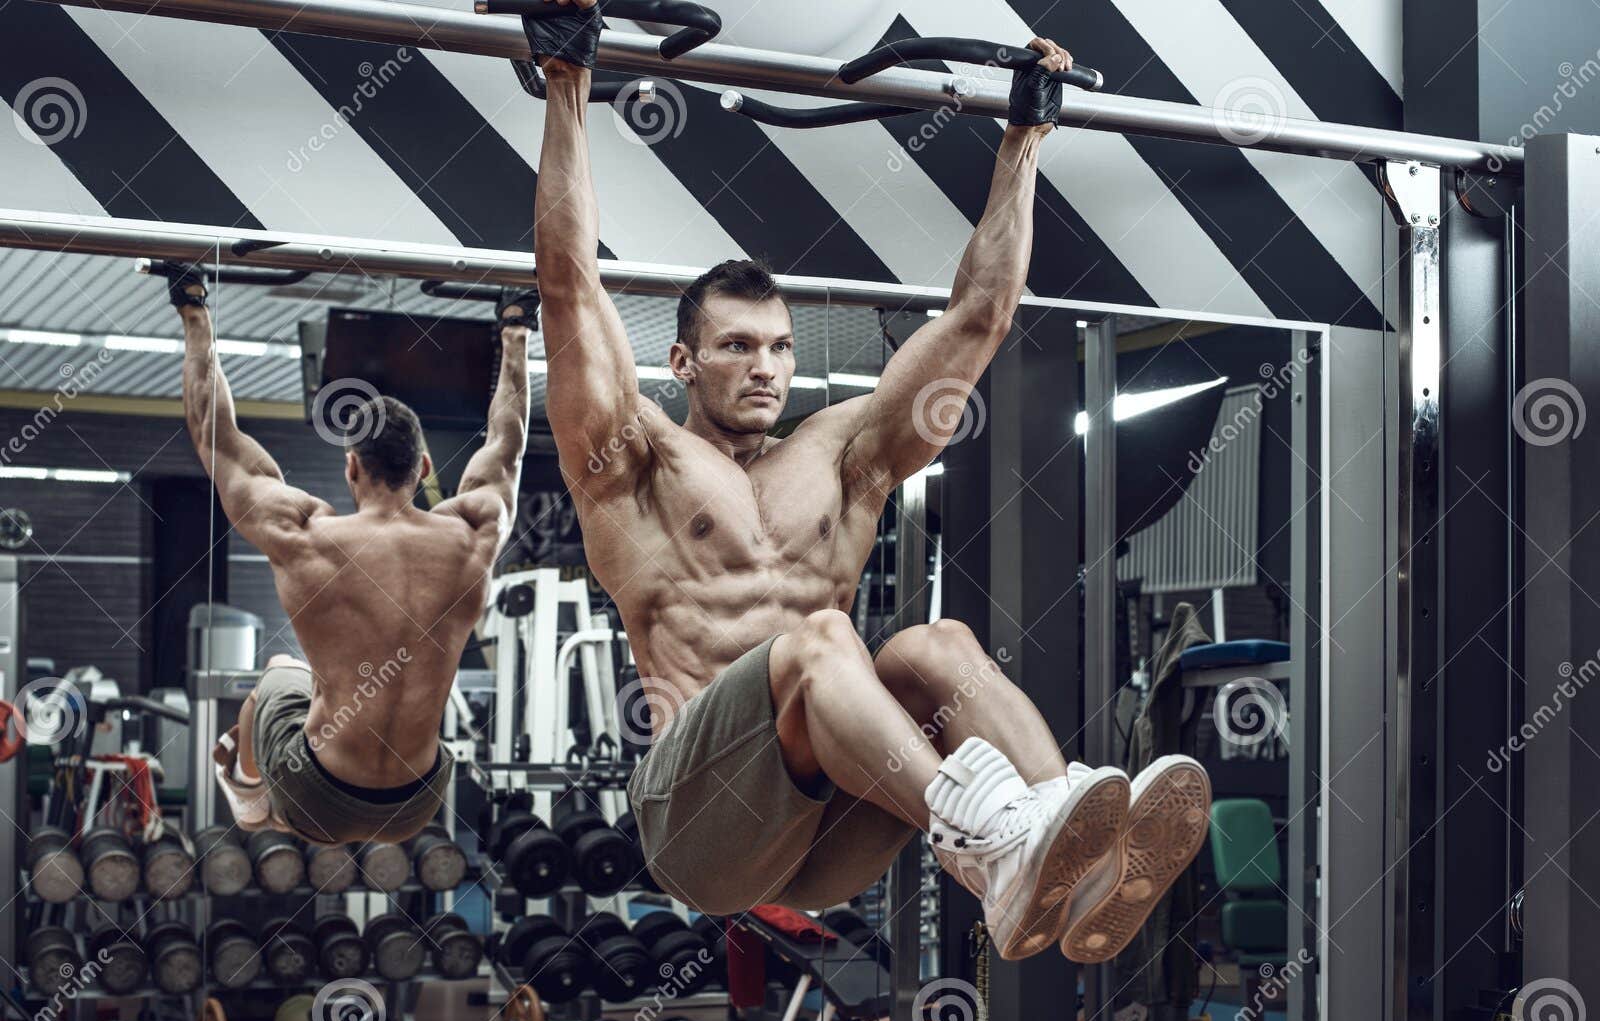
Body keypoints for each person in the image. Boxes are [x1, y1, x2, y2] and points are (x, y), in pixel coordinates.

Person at [525, 0, 1211, 962]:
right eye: (736, 347)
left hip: (829, 831)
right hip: (700, 826)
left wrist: (1024, 137)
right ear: (682, 362)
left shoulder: (841, 455)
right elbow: (568, 285)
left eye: (779, 347)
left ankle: (1057, 844)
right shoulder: (631, 461)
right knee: (819, 641)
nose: (766, 367)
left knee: (933, 644)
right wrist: (567, 82)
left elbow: (979, 317)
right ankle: (993, 846)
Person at [173, 267, 538, 844]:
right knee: (300, 684)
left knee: (275, 674)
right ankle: (251, 780)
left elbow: (212, 432)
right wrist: (516, 330)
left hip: (318, 796)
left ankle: (247, 798)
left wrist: (194, 309)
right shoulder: (472, 535)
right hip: (418, 804)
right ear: (422, 469)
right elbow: (507, 441)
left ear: (350, 468)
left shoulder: (304, 537)